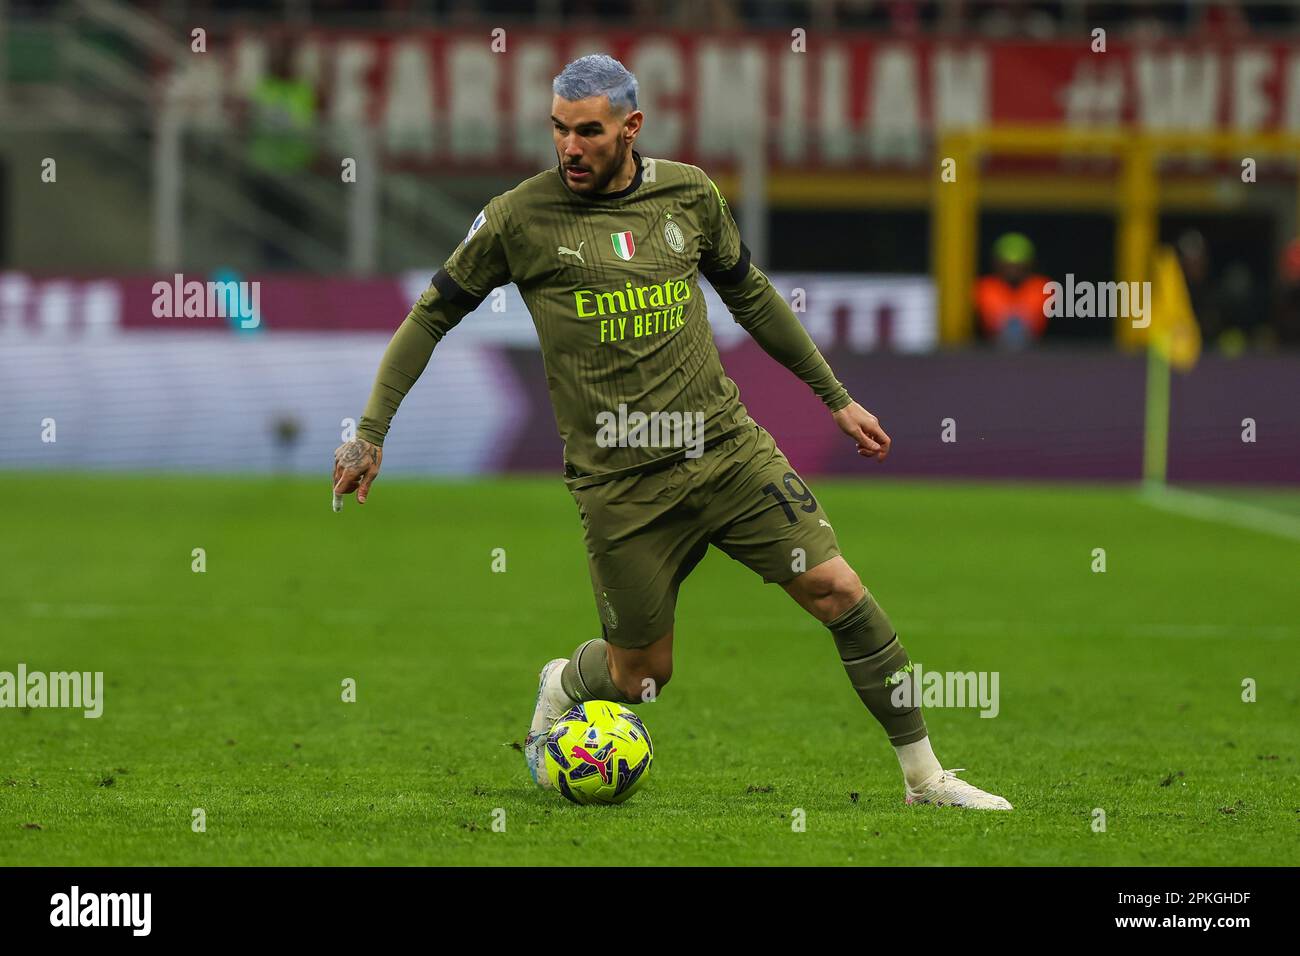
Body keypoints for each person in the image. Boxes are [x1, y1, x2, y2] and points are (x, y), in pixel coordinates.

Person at [333, 54, 1011, 810]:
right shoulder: (517, 218)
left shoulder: (689, 194)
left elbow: (751, 295)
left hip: (724, 450)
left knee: (837, 588)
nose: (569, 147)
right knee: (642, 676)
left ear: (632, 127)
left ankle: (926, 779)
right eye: (558, 129)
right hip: (620, 486)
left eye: (588, 131)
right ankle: (563, 681)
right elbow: (430, 315)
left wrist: (836, 398)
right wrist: (370, 432)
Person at [974, 232, 1051, 347]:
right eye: (1007, 265)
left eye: (1018, 266)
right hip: (990, 352)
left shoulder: (1042, 287)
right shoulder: (984, 287)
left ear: (1029, 265)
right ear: (996, 264)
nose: (1012, 270)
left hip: (1035, 353)